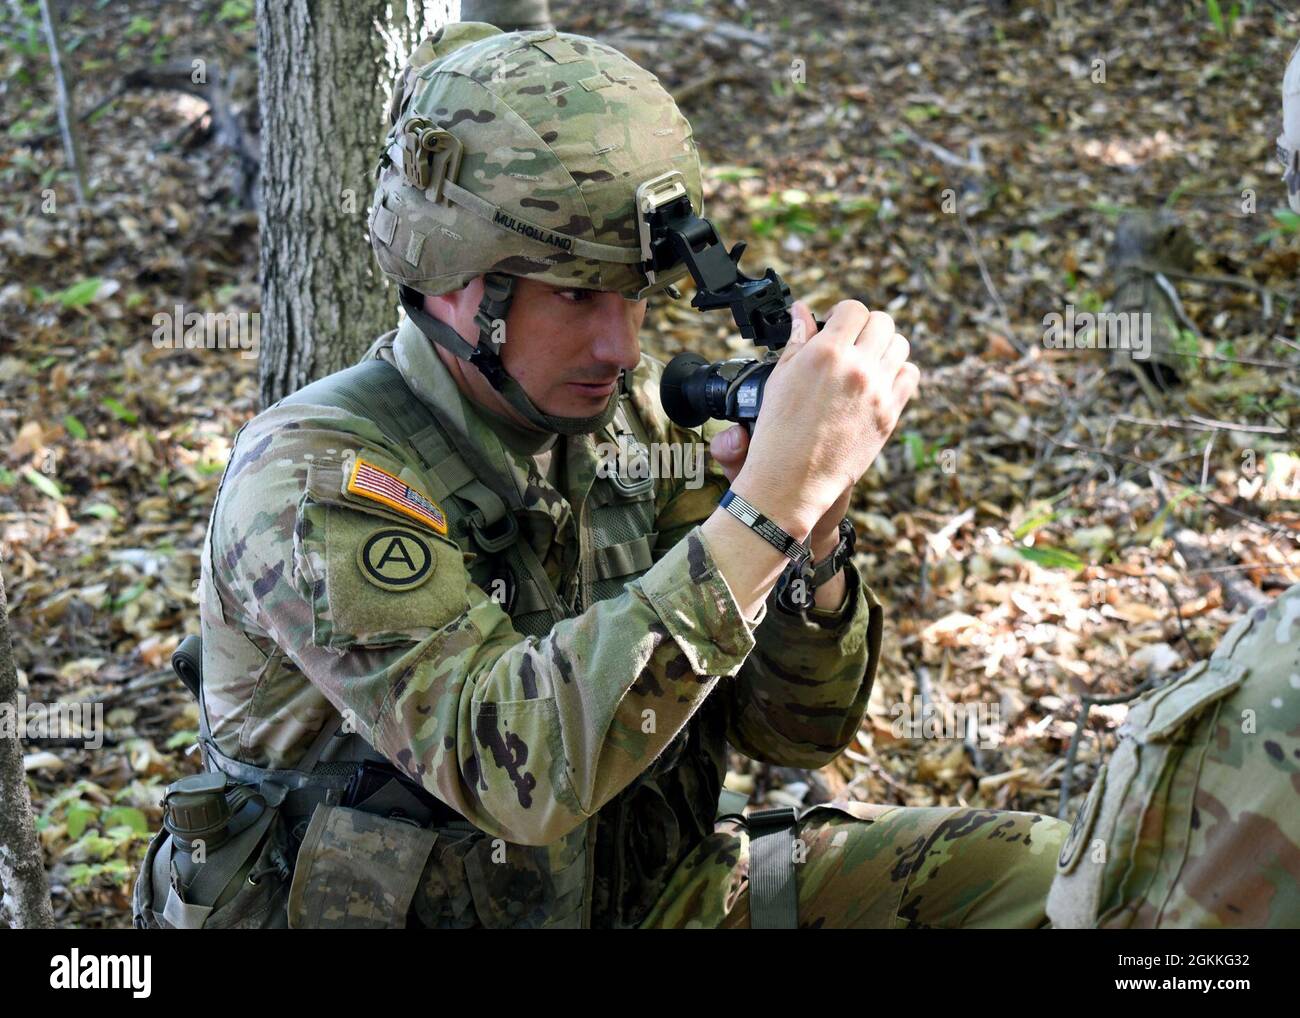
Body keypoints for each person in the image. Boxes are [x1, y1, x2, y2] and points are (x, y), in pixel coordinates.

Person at [133, 23, 1066, 930]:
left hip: (642, 896)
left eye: (635, 297)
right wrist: (767, 507)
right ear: (461, 279)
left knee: (1046, 877)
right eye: (577, 296)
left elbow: (796, 732)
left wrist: (810, 531)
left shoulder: (635, 425)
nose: (621, 345)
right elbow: (513, 773)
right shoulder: (316, 480)